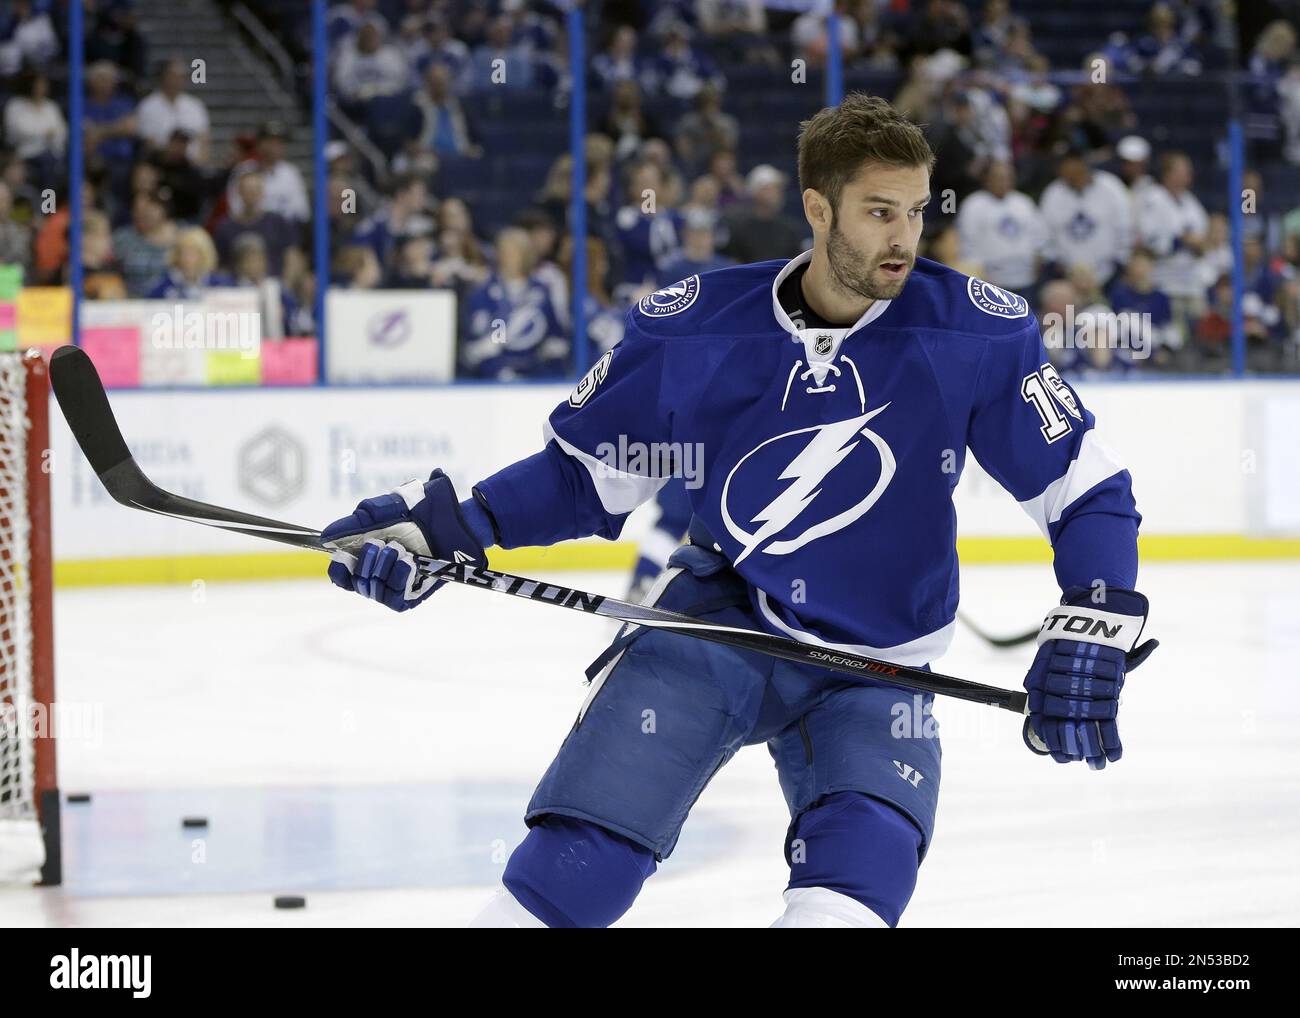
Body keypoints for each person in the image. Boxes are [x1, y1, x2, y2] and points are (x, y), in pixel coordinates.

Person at [321, 93, 1156, 928]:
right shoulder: (696, 328)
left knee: (847, 902)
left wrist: (1096, 614)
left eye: (914, 211)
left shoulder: (973, 333)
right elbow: (584, 480)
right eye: (877, 212)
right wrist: (449, 531)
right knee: (574, 874)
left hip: (881, 667)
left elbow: (1086, 489)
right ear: (817, 209)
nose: (904, 236)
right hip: (719, 628)